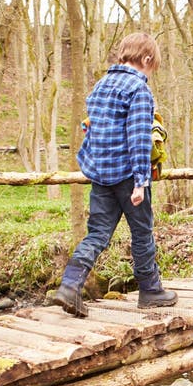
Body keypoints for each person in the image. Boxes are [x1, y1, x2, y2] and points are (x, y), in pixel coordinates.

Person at [54, 32, 177, 316]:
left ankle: (70, 287)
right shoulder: (138, 89)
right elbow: (138, 138)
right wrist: (140, 181)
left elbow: (91, 128)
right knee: (142, 232)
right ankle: (150, 291)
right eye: (152, 66)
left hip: (100, 176)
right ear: (146, 59)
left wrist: (92, 163)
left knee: (97, 233)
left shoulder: (100, 86)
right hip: (128, 177)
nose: (151, 72)